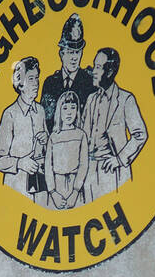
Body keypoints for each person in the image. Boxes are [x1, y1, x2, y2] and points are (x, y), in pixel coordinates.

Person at [81, 47, 148, 202]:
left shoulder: (125, 100)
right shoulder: (91, 99)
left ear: (109, 72)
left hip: (112, 172)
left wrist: (119, 159)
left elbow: (140, 135)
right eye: (95, 66)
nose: (94, 71)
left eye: (98, 67)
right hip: (89, 172)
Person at [0, 56, 48, 203]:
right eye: (30, 79)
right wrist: (20, 163)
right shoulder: (10, 114)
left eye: (37, 78)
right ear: (20, 83)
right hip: (16, 189)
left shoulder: (40, 111)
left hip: (39, 187)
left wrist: (46, 141)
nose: (36, 83)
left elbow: (45, 151)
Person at [41, 14, 94, 133]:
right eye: (70, 52)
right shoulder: (50, 83)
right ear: (62, 54)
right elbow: (44, 122)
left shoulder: (90, 82)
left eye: (78, 52)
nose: (74, 58)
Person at [44, 90, 89, 210]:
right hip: (56, 185)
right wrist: (53, 192)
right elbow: (48, 166)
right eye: (65, 108)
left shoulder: (81, 135)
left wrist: (75, 192)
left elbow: (84, 164)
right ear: (59, 110)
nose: (69, 112)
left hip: (76, 184)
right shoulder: (53, 137)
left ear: (77, 111)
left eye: (73, 108)